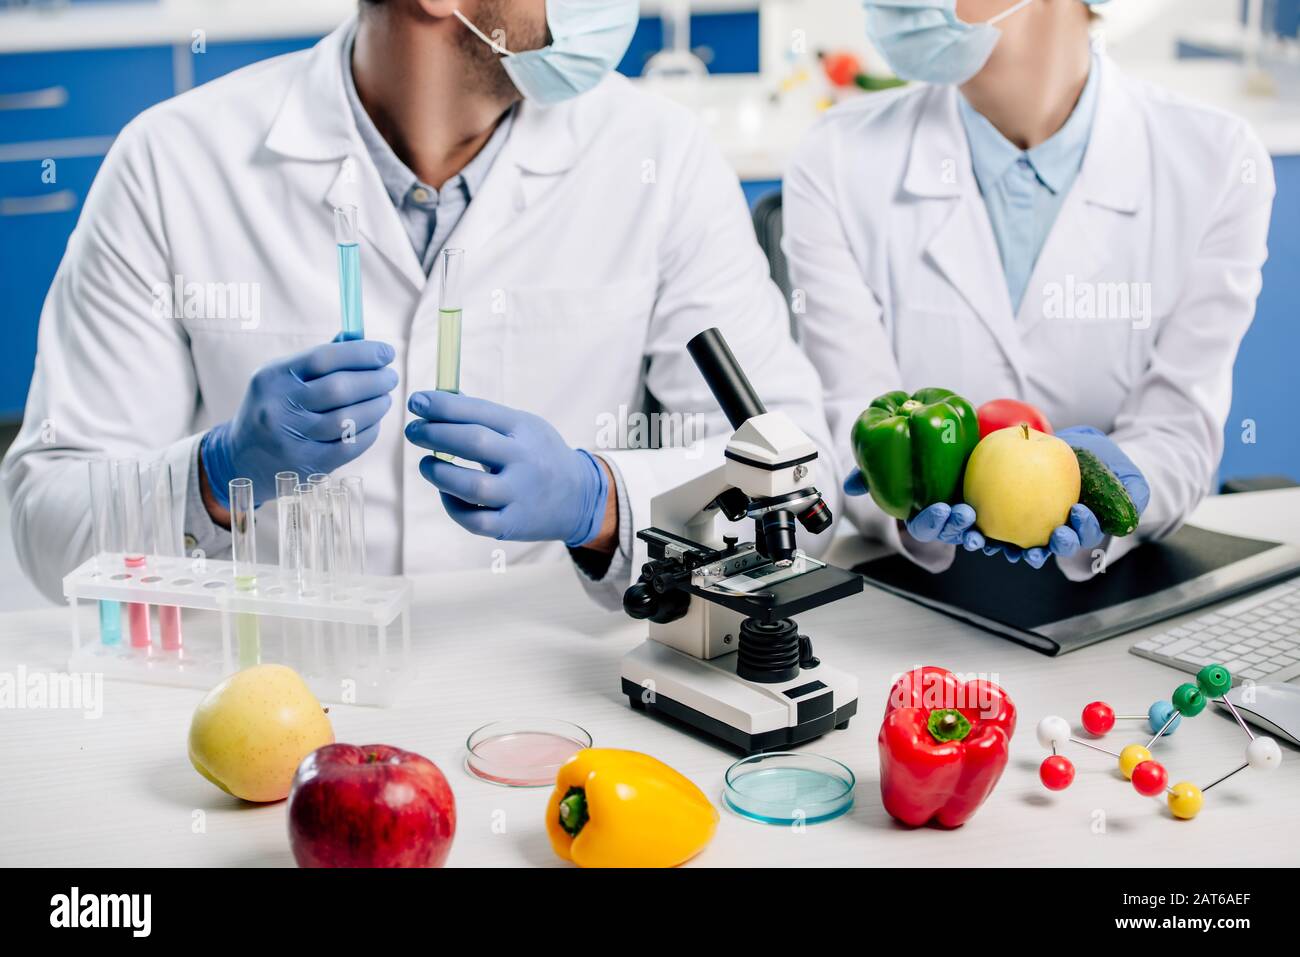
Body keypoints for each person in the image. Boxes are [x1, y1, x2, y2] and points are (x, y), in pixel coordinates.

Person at [2, 0, 838, 606]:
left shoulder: (662, 159)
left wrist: (603, 500)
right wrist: (216, 477)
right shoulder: (171, 162)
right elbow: (47, 531)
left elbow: (804, 492)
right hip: (272, 695)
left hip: (550, 706)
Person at [784, 0, 1274, 578]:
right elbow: (851, 420)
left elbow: (1180, 432)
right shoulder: (835, 158)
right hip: (919, 599)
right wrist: (902, 502)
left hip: (1116, 592)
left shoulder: (1215, 160)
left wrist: (1118, 487)